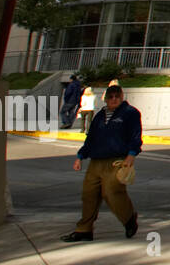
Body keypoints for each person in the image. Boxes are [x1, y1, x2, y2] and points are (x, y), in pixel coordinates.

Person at [60, 86, 142, 243]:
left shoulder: (130, 113)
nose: (114, 99)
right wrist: (80, 156)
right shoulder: (99, 116)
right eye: (110, 96)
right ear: (106, 98)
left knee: (112, 192)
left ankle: (128, 219)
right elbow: (90, 138)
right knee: (89, 194)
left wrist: (131, 155)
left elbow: (135, 136)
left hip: (116, 160)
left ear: (122, 97)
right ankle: (84, 229)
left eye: (117, 96)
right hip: (96, 160)